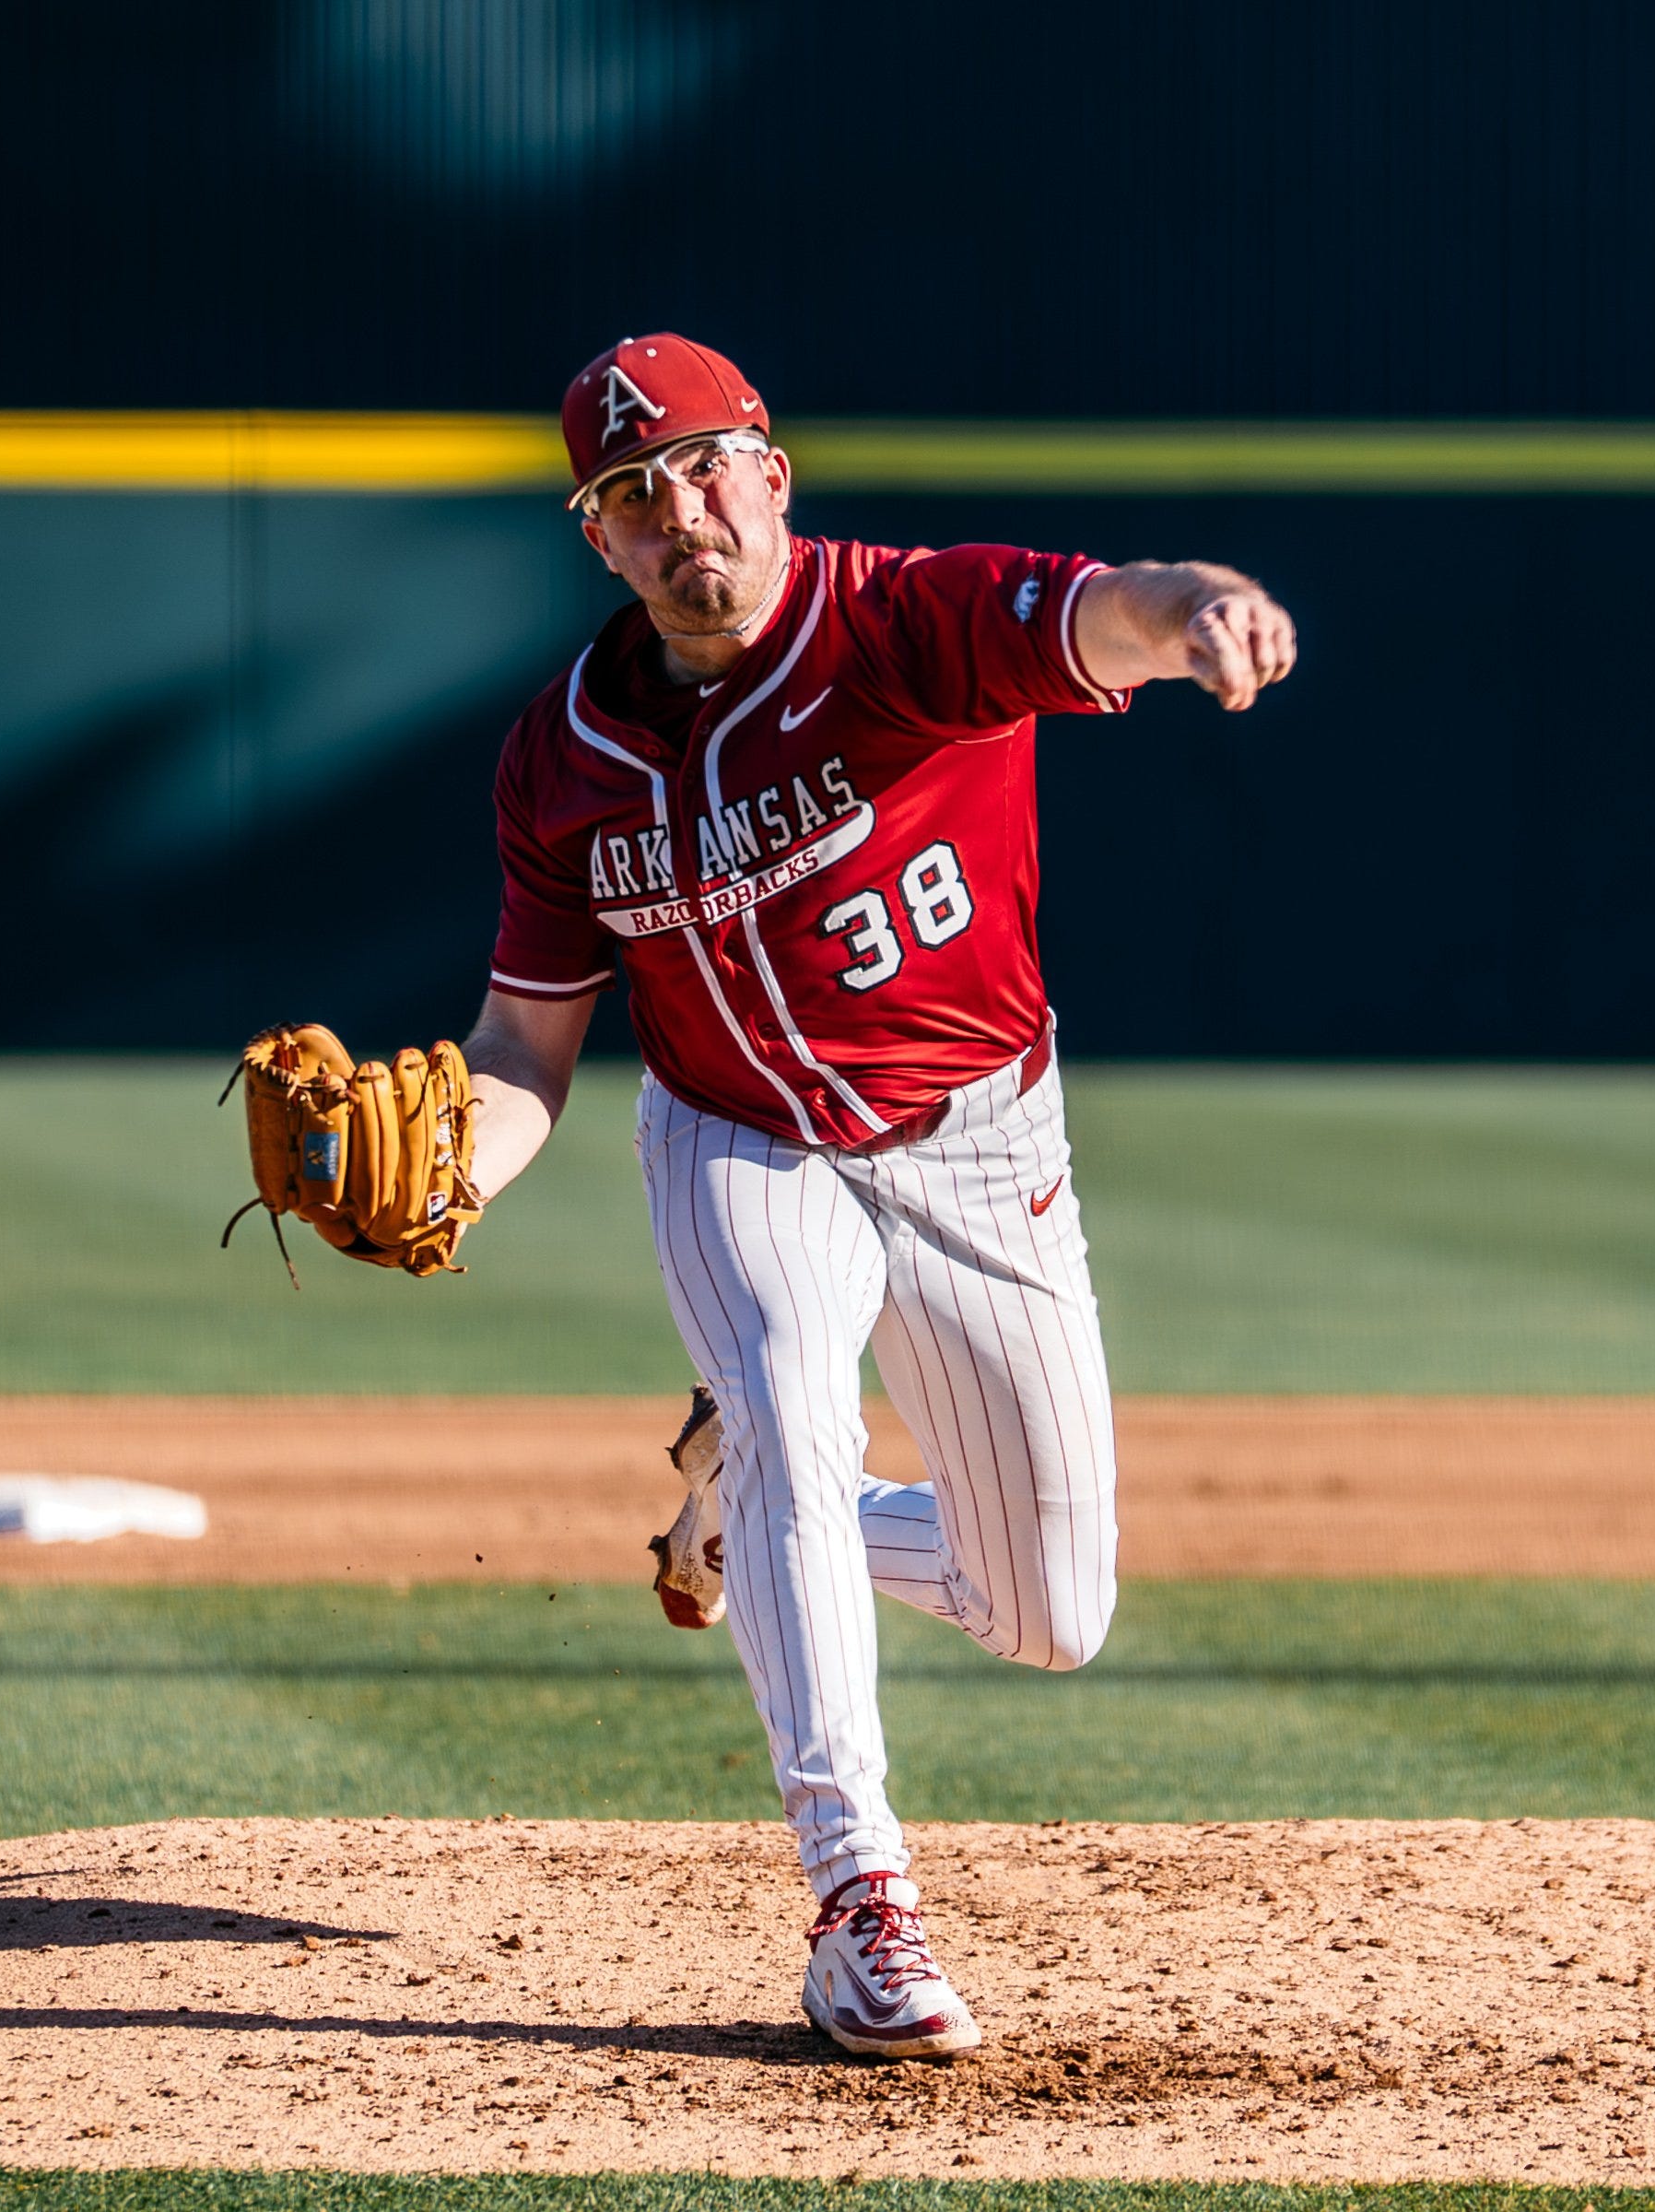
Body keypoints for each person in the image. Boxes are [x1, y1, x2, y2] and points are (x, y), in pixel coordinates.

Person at [457, 333, 1296, 2058]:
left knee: (1053, 1614)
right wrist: (448, 1164)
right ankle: (862, 1905)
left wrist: (1198, 601)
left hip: (980, 1136)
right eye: (630, 495)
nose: (675, 509)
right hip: (738, 1142)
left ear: (769, 471)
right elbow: (523, 1045)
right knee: (788, 1409)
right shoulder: (562, 763)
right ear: (597, 541)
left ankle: (737, 1514)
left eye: (699, 465)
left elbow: (1101, 610)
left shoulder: (901, 626)